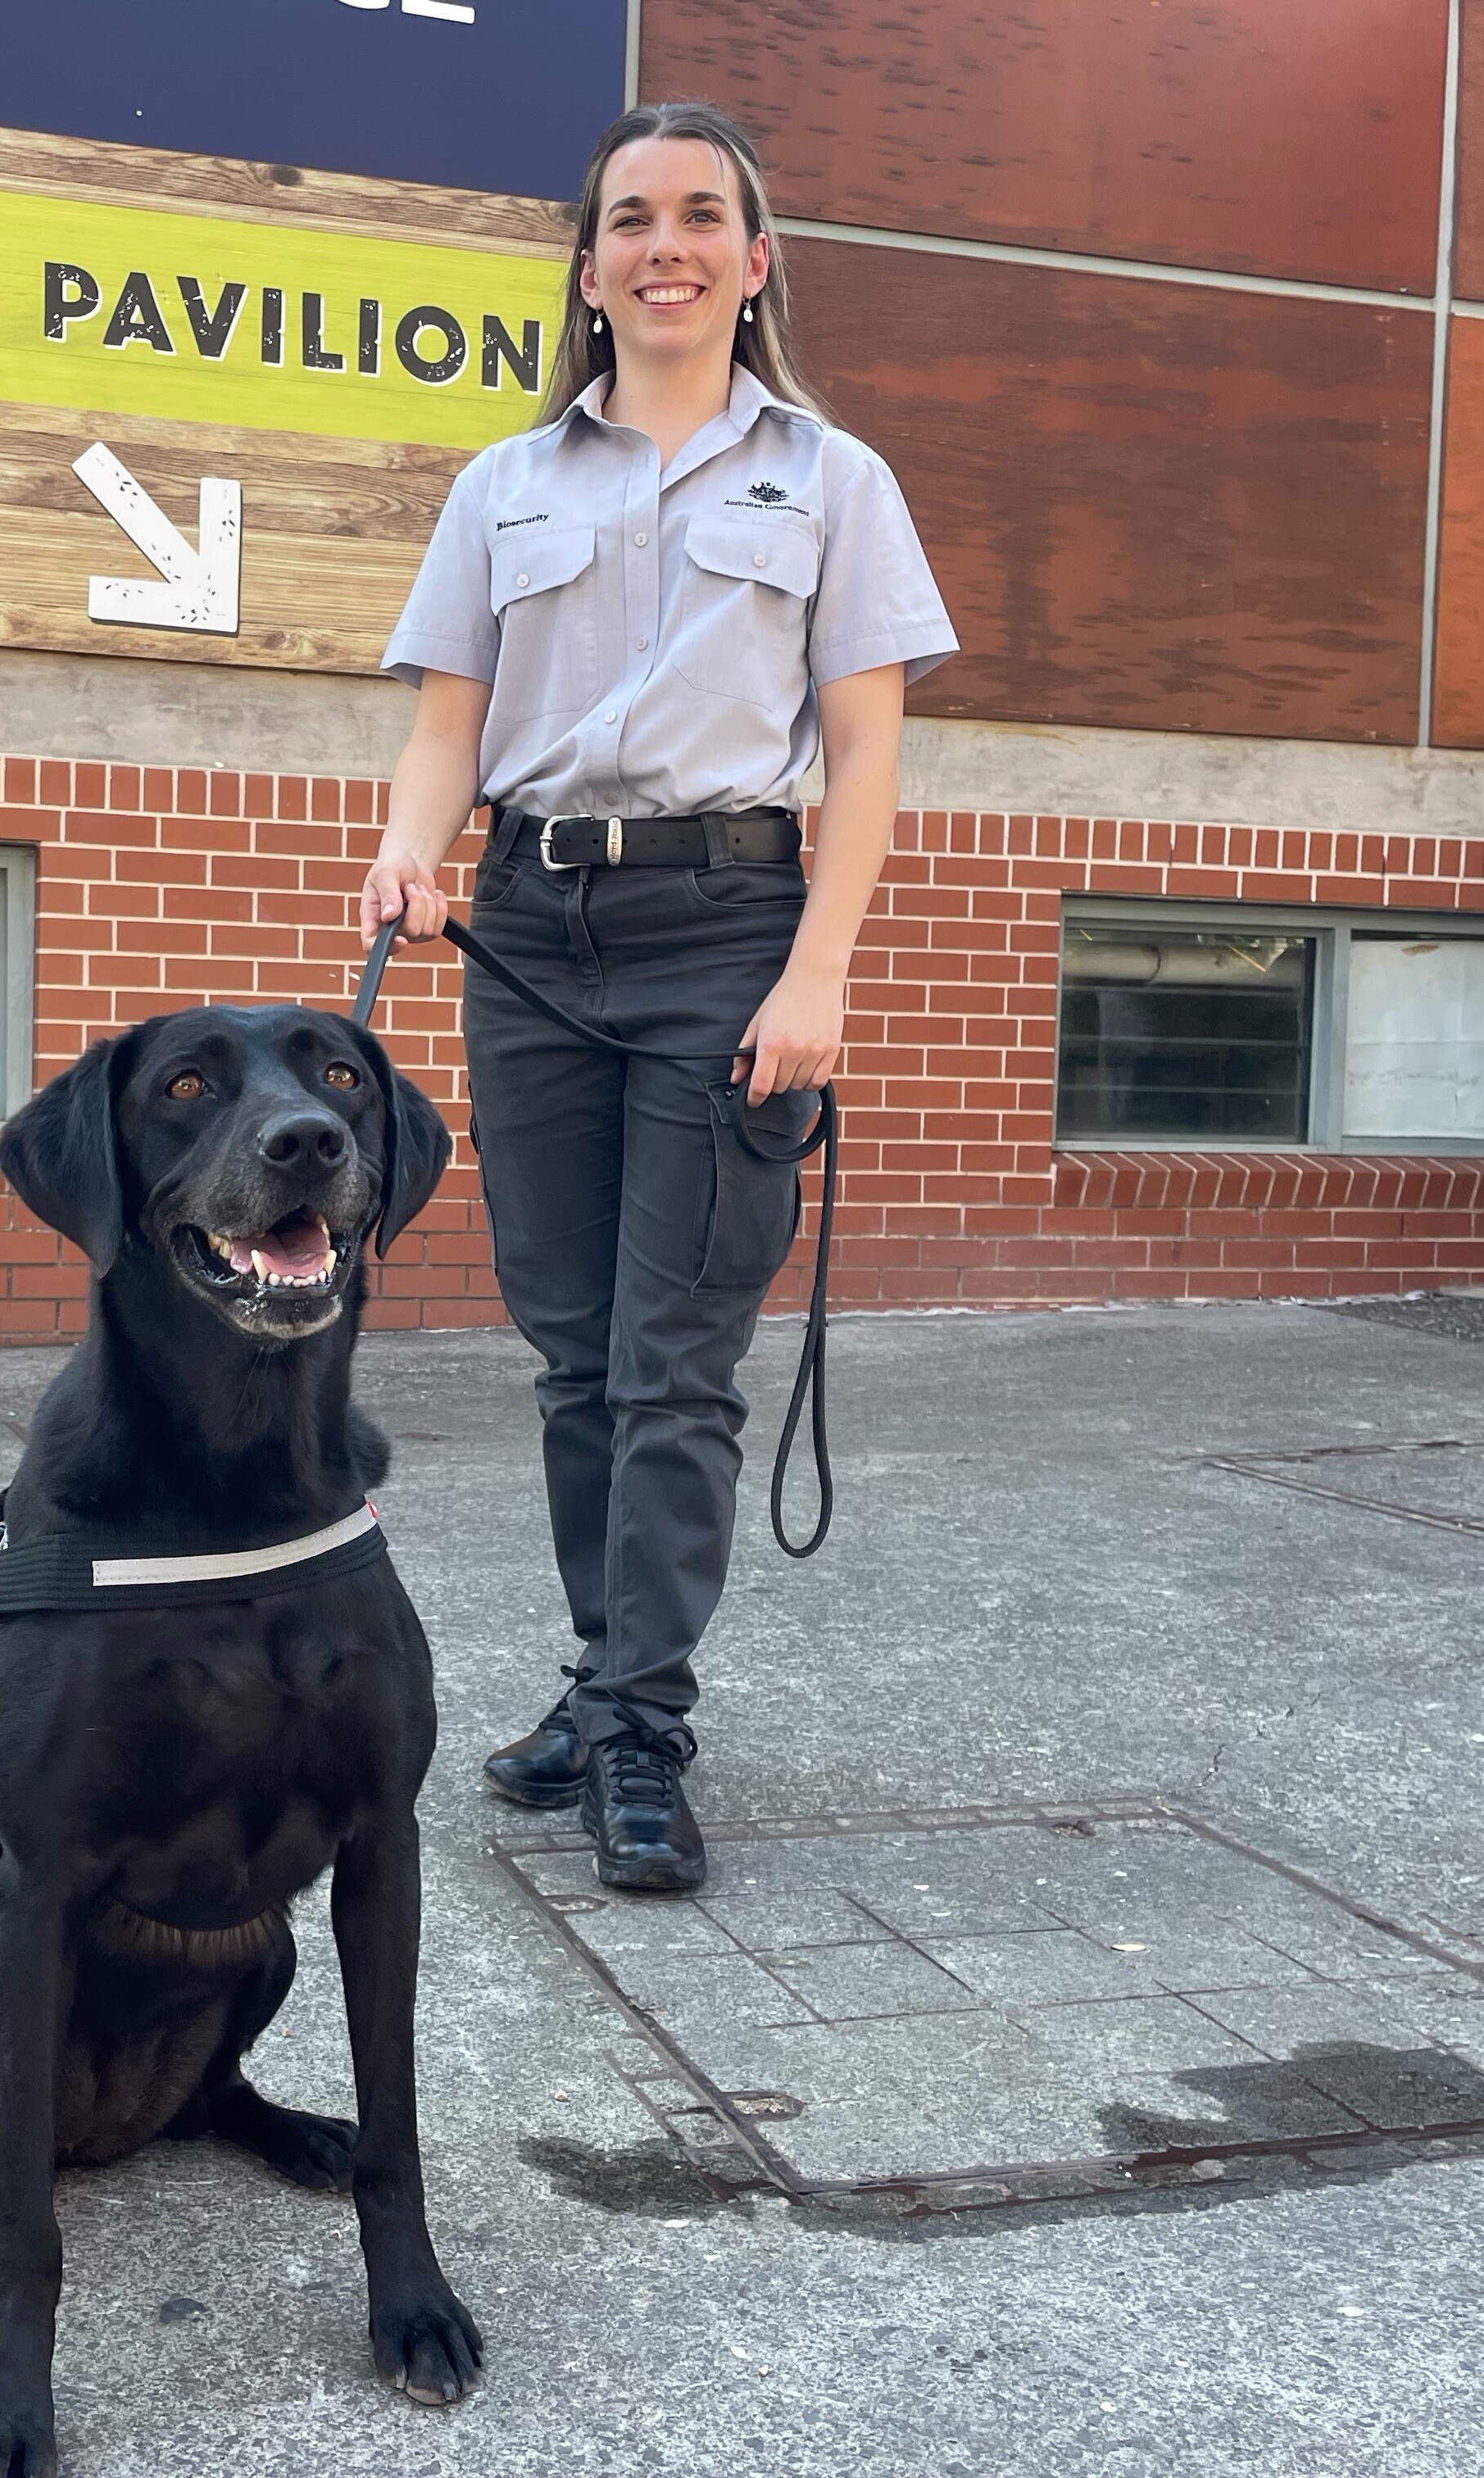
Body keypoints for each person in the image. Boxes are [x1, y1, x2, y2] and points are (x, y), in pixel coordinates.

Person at [361, 102, 955, 1894]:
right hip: (534, 939)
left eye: (704, 217)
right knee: (571, 1355)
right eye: (633, 219)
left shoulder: (833, 480)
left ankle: (640, 1726)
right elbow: (445, 726)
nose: (666, 245)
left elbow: (863, 754)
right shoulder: (504, 484)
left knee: (675, 1361)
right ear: (592, 263)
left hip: (727, 934)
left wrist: (819, 974)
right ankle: (605, 1672)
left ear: (754, 262)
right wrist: (409, 849)